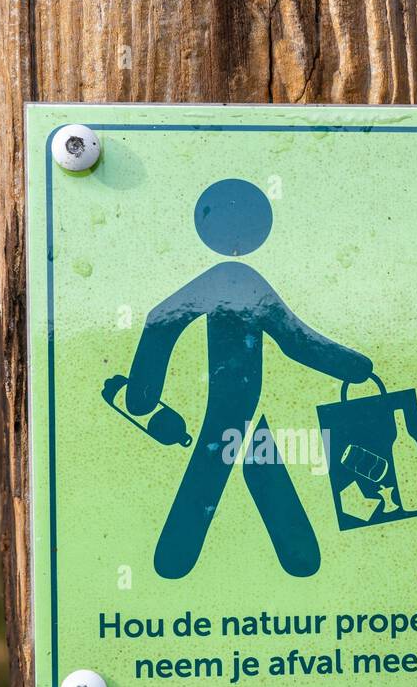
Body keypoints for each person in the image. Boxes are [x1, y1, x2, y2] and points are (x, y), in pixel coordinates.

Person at [122, 178, 373, 578]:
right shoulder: (242, 282)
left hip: (239, 398)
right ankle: (287, 557)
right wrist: (353, 367)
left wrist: (143, 391)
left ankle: (188, 557)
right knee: (243, 457)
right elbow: (297, 341)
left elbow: (160, 323)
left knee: (240, 458)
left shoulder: (232, 281)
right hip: (236, 398)